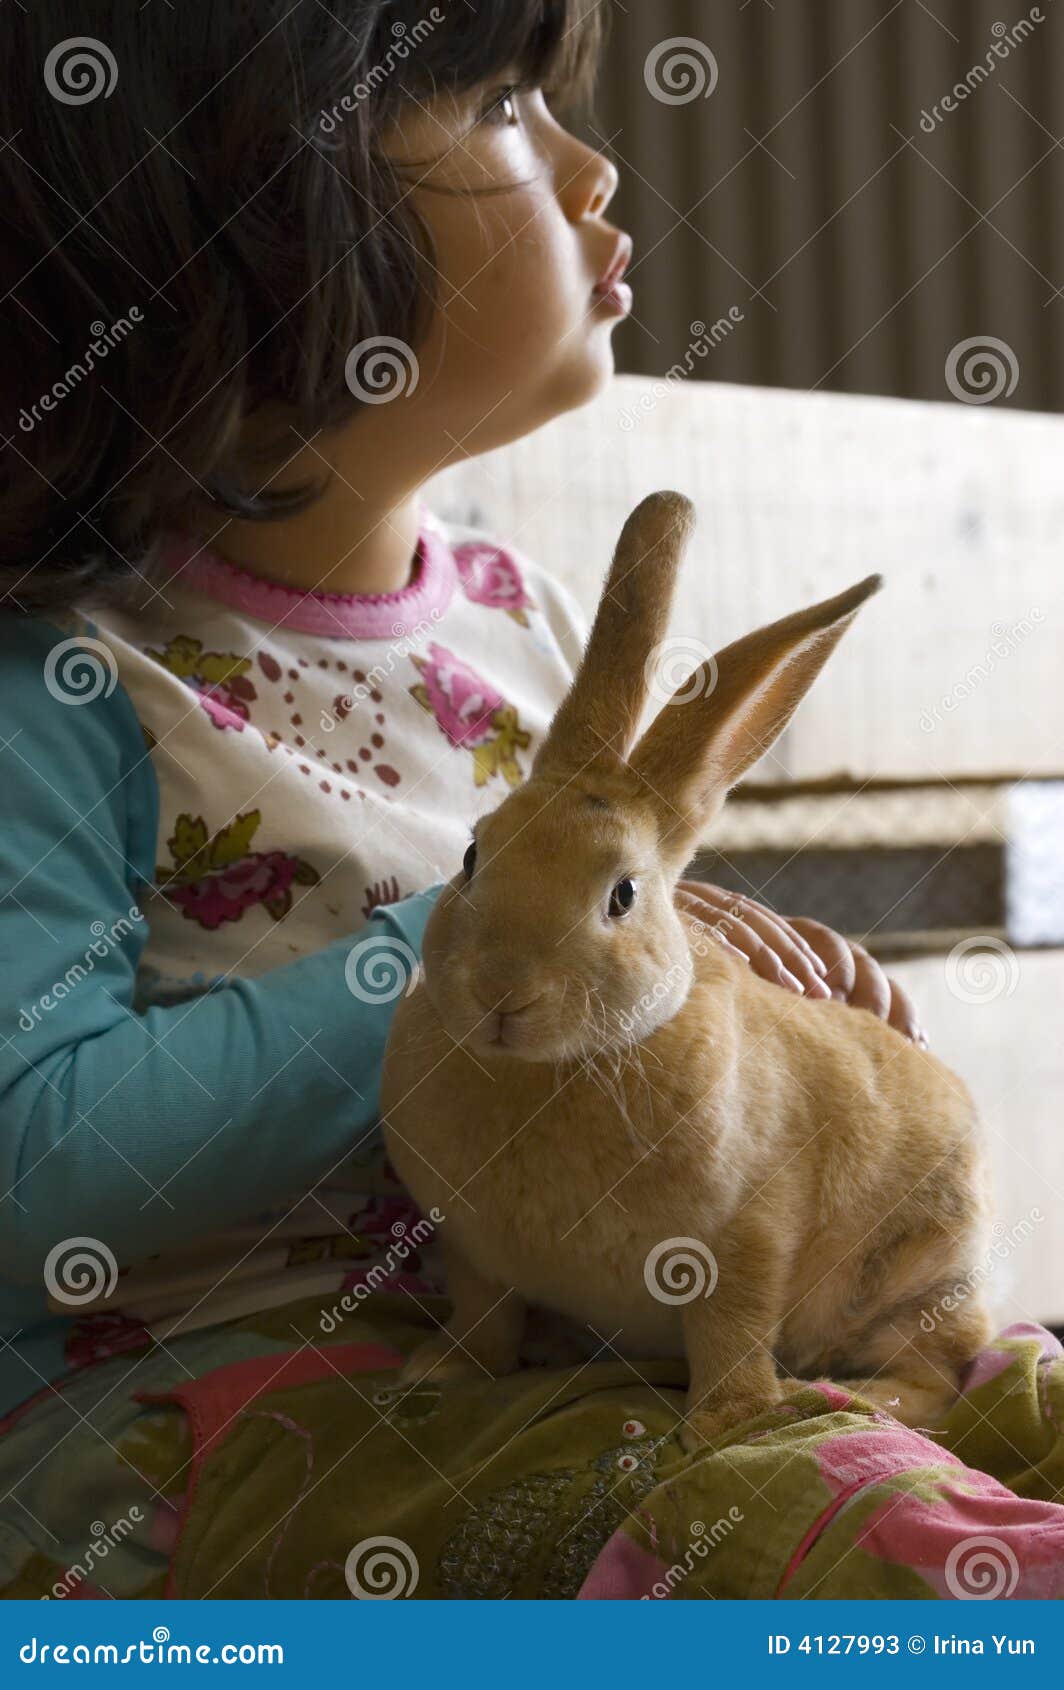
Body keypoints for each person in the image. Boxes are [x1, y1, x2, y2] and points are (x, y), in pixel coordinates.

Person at [0, 2, 923, 1596]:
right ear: (239, 207)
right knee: (829, 1548)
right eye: (503, 104)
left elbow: (634, 950)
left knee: (999, 1412)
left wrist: (748, 1004)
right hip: (203, 1428)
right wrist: (474, 950)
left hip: (572, 1358)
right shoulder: (69, 681)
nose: (594, 167)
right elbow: (36, 1165)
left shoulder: (537, 628)